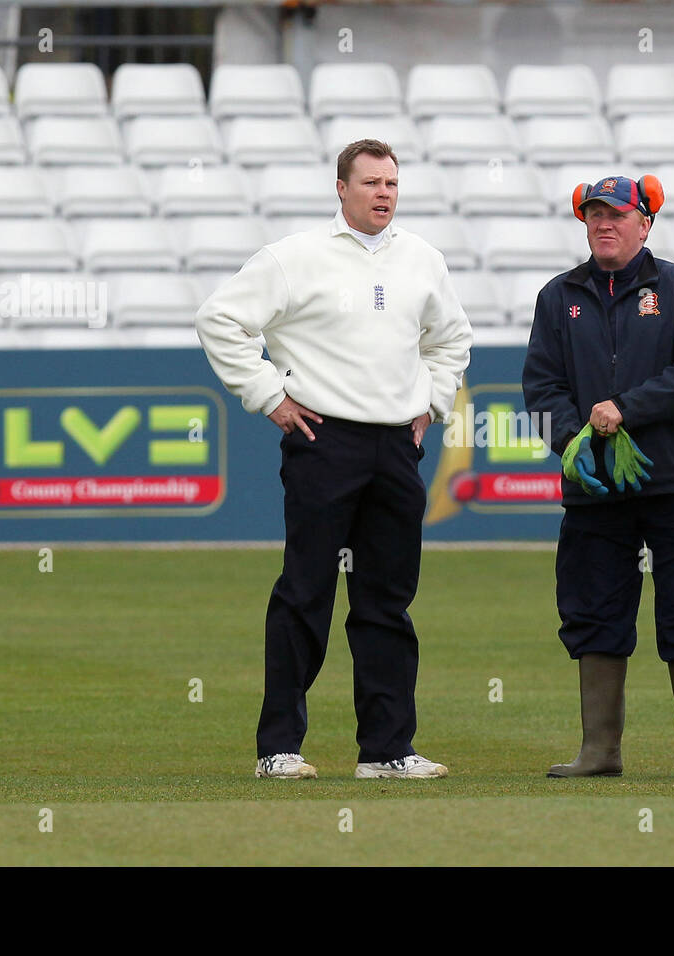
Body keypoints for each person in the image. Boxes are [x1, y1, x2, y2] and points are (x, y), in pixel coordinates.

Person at [195, 139, 472, 780]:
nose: (383, 193)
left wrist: (432, 402)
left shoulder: (422, 260)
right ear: (341, 189)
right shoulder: (294, 257)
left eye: (392, 184)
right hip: (324, 440)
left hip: (397, 446)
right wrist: (269, 396)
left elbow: (451, 337)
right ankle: (280, 749)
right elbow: (219, 319)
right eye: (371, 182)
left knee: (387, 601)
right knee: (306, 592)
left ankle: (386, 751)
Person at [523, 175, 674, 778]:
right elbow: (539, 387)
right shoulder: (556, 296)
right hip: (593, 491)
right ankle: (600, 750)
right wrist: (575, 439)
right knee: (592, 608)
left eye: (617, 214)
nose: (604, 224)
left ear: (645, 222)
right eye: (594, 215)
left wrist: (623, 410)